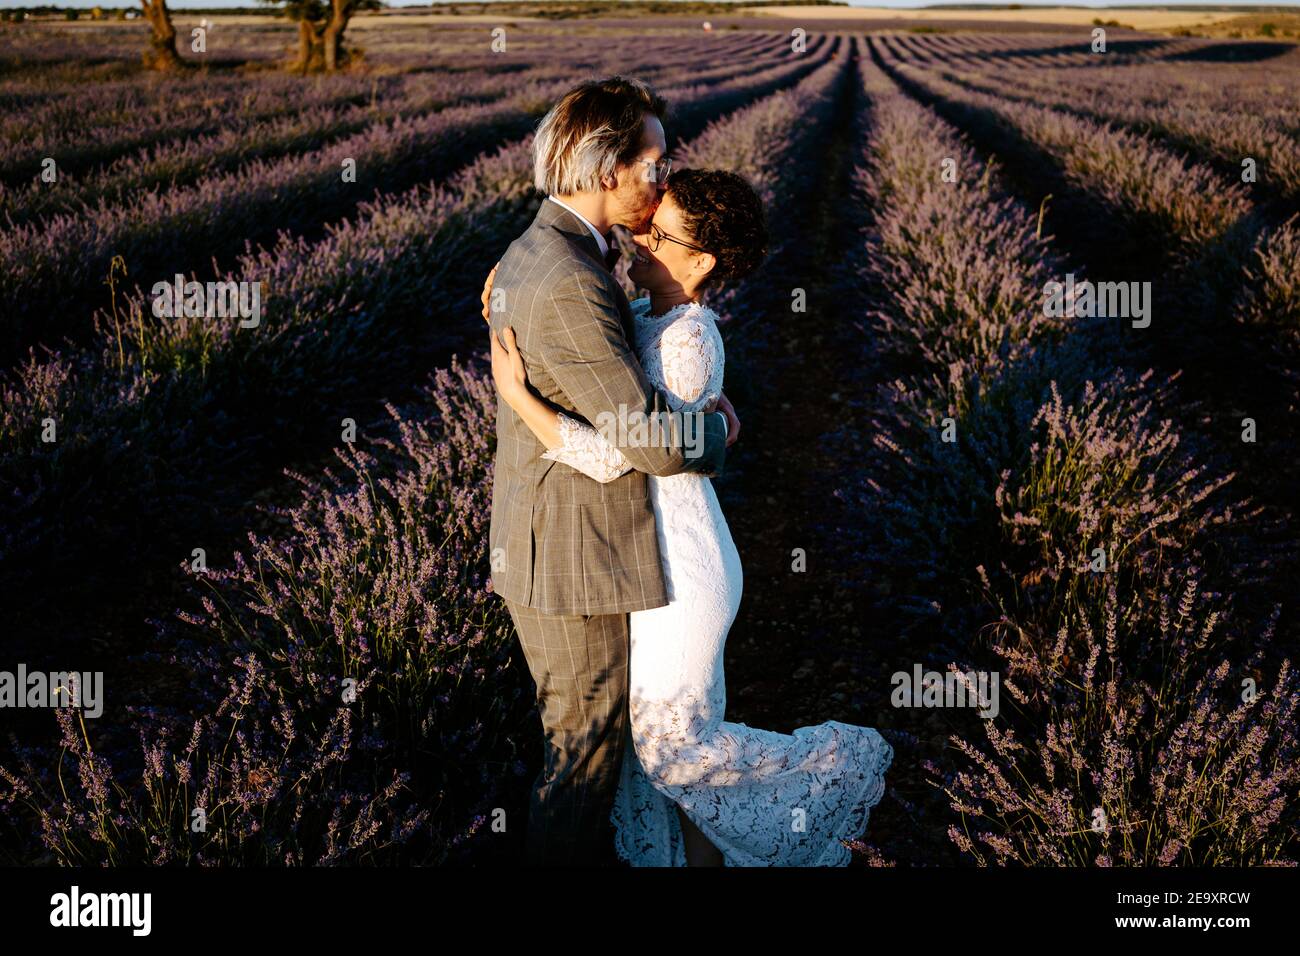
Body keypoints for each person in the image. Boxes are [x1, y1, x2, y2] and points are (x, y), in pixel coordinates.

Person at [484, 155, 893, 866]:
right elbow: (581, 328)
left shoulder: (688, 340)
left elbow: (623, 455)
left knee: (677, 750)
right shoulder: (653, 313)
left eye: (657, 236)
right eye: (644, 227)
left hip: (681, 569)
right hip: (648, 554)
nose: (638, 240)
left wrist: (521, 402)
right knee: (668, 759)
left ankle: (834, 767)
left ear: (700, 261)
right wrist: (504, 295)